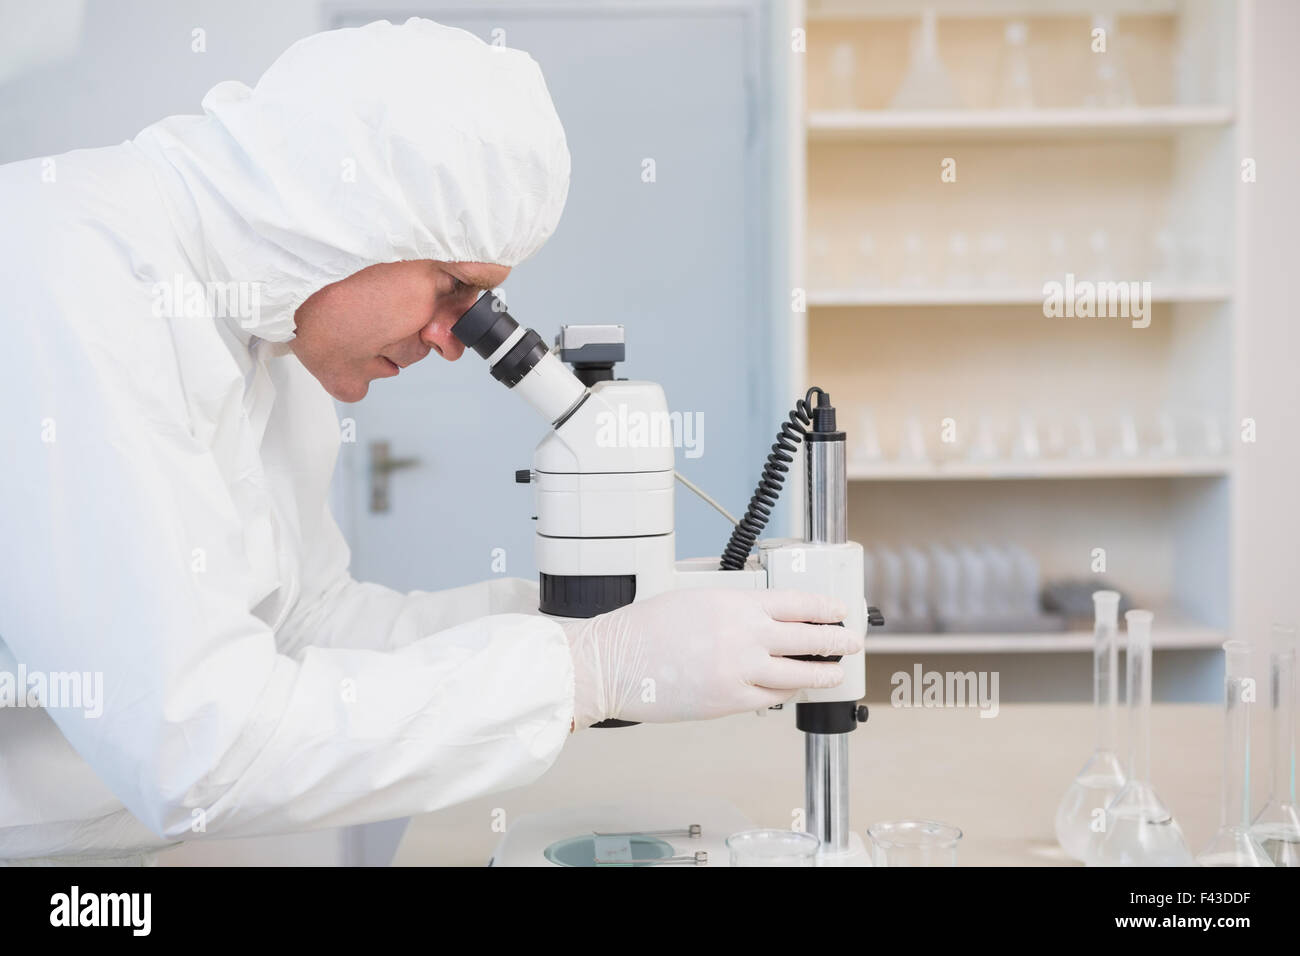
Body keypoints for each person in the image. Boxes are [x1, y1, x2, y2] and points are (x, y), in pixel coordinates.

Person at [0, 18, 858, 863]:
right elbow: (197, 752)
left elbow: (308, 627)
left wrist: (597, 614)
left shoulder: (267, 327)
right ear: (348, 212)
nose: (454, 340)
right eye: (453, 289)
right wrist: (589, 670)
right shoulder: (71, 272)